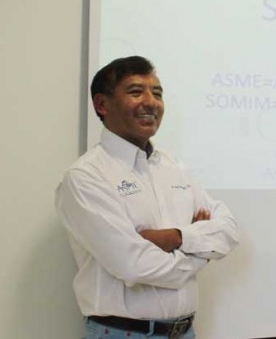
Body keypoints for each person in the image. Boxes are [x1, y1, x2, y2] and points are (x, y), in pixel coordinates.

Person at [56, 56, 240, 339]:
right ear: (102, 104)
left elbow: (228, 229)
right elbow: (134, 265)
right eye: (135, 91)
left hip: (185, 332)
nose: (151, 102)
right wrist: (201, 252)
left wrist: (177, 238)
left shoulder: (174, 167)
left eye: (157, 93)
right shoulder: (86, 177)